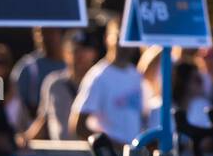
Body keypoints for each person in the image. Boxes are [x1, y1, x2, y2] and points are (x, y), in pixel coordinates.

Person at [71, 18, 146, 147]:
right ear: (107, 38)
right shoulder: (98, 76)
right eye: (119, 37)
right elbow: (78, 126)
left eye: (129, 38)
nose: (124, 44)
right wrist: (111, 147)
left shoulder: (136, 76)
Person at [25, 28, 101, 142]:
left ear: (93, 54)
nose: (79, 55)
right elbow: (43, 120)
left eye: (85, 50)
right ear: (65, 52)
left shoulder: (101, 82)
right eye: (74, 50)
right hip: (62, 154)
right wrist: (25, 139)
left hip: (92, 154)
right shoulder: (54, 83)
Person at [11, 28, 66, 120]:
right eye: (40, 32)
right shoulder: (27, 67)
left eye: (51, 32)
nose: (45, 38)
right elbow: (13, 102)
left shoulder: (75, 64)